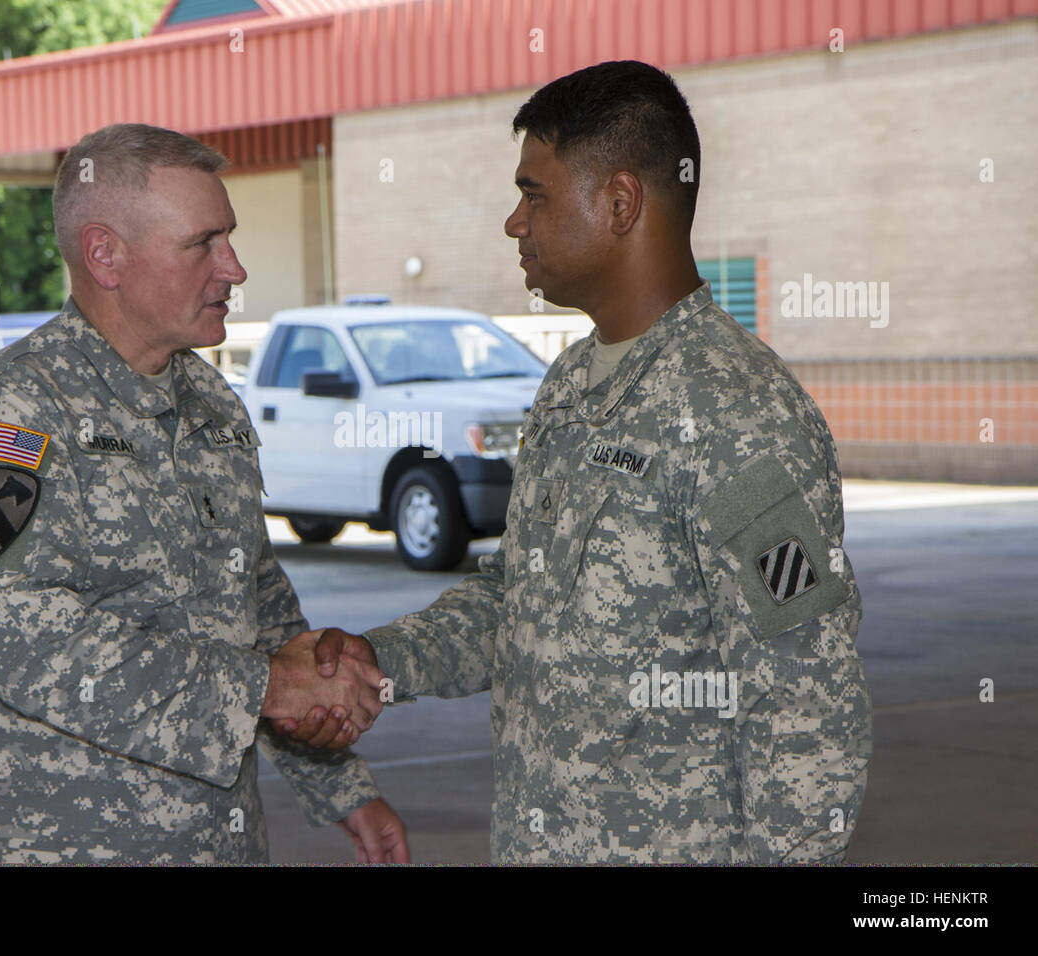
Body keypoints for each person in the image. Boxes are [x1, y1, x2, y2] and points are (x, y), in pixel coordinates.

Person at [275, 61, 872, 864]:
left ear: (620, 204)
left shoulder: (735, 411)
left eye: (535, 195)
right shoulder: (568, 386)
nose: (514, 223)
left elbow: (806, 703)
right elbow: (520, 601)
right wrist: (381, 662)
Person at [0, 123, 408, 864]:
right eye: (203, 243)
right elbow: (25, 638)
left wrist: (340, 786)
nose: (234, 268)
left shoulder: (210, 402)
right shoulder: (12, 412)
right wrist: (265, 689)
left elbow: (257, 606)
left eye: (229, 238)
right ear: (105, 255)